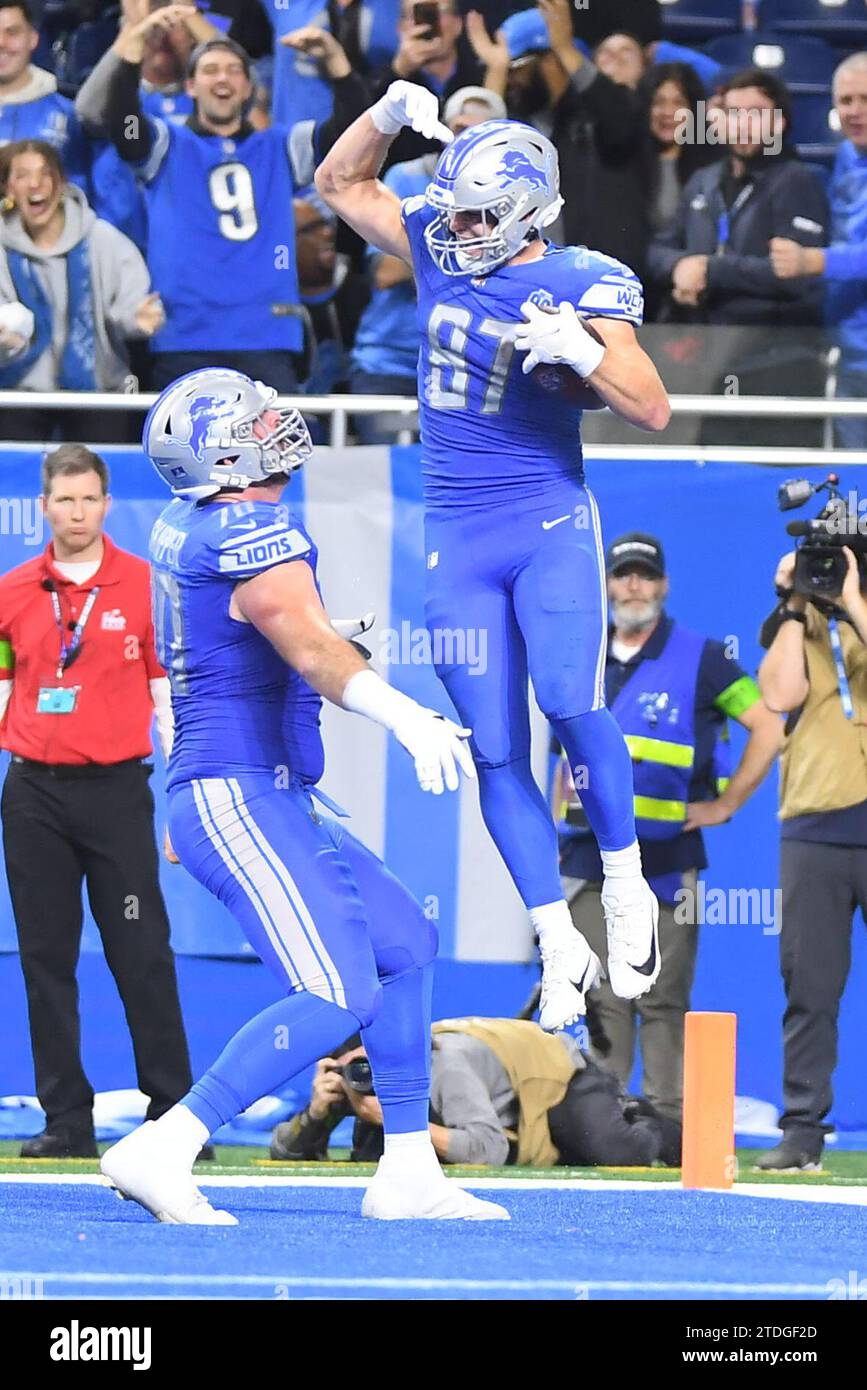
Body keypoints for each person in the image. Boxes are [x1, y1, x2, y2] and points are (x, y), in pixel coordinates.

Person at [99, 367, 508, 1225]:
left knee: (404, 942)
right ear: (223, 451)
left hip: (255, 787)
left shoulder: (197, 521)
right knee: (335, 990)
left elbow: (236, 650)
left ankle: (406, 1169)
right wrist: (408, 718)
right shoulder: (247, 528)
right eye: (254, 418)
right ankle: (165, 1144)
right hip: (236, 791)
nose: (276, 422)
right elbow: (316, 657)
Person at [315, 82, 671, 1035]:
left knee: (568, 701)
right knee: (494, 748)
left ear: (526, 213)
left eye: (476, 215)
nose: (454, 228)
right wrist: (387, 115)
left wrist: (583, 353)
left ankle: (626, 881)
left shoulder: (583, 277)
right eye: (454, 209)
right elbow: (338, 181)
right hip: (456, 532)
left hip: (544, 517)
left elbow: (652, 405)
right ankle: (557, 938)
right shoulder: (438, 235)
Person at [0, 445, 195, 1160]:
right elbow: (3, 685)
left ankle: (174, 1116)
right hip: (32, 799)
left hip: (116, 794)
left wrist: (184, 797)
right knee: (44, 960)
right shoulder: (13, 590)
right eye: (64, 500)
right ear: (43, 505)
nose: (77, 513)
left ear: (107, 506)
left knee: (141, 953)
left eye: (89, 500)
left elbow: (168, 700)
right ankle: (66, 1119)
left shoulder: (146, 589)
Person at [553, 532, 781, 1122]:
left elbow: (768, 725)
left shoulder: (703, 657)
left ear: (664, 586)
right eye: (624, 574)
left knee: (661, 996)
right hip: (588, 858)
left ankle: (667, 1123)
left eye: (646, 576)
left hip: (667, 861)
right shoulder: (582, 655)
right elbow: (563, 754)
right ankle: (603, 1123)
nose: (634, 586)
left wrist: (726, 806)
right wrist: (556, 826)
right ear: (607, 585)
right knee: (598, 994)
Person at [75, 11, 368, 391]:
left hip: (267, 336)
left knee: (269, 450)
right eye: (210, 70)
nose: (223, 78)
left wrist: (339, 67)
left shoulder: (279, 146)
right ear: (191, 86)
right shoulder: (166, 145)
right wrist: (130, 56)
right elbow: (123, 122)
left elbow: (352, 135)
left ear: (248, 88)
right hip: (185, 335)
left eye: (234, 70)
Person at [756, 539, 867, 1172]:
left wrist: (852, 600)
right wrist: (796, 605)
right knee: (810, 991)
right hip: (816, 828)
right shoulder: (793, 624)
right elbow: (779, 696)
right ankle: (803, 1130)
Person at [646, 68, 829, 444]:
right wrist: (680, 267)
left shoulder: (798, 182)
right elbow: (657, 249)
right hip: (701, 355)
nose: (742, 124)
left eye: (755, 114)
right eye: (732, 113)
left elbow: (798, 279)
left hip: (774, 360)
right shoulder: (704, 181)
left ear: (778, 123)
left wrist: (710, 270)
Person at [272, 1019, 682, 1167]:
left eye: (377, 1064)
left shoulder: (443, 1066)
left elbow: (491, 1149)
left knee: (606, 1148)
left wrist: (394, 1119)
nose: (372, 1076)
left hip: (554, 1070)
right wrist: (316, 1115)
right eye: (359, 1069)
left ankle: (649, 1121)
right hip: (496, 1085)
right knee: (372, 1155)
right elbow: (286, 1155)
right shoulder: (354, 1079)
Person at [349, 83, 506, 443]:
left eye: (478, 132)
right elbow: (386, 273)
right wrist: (481, 241)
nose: (464, 140)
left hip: (468, 366)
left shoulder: (519, 194)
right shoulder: (407, 178)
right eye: (460, 128)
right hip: (390, 361)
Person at [0, 139, 163, 441]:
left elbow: (127, 309)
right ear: (9, 189)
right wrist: (6, 340)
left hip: (98, 389)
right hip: (17, 390)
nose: (35, 184)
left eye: (45, 173)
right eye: (22, 176)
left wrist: (135, 318)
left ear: (61, 183)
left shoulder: (103, 239)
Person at [769, 52, 867, 451]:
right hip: (848, 350)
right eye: (846, 101)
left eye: (866, 99)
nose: (855, 111)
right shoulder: (847, 156)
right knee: (854, 483)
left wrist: (814, 261)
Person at [0, 2, 90, 190]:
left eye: (12, 32)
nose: (2, 43)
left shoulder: (67, 112)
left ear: (33, 39)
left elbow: (80, 189)